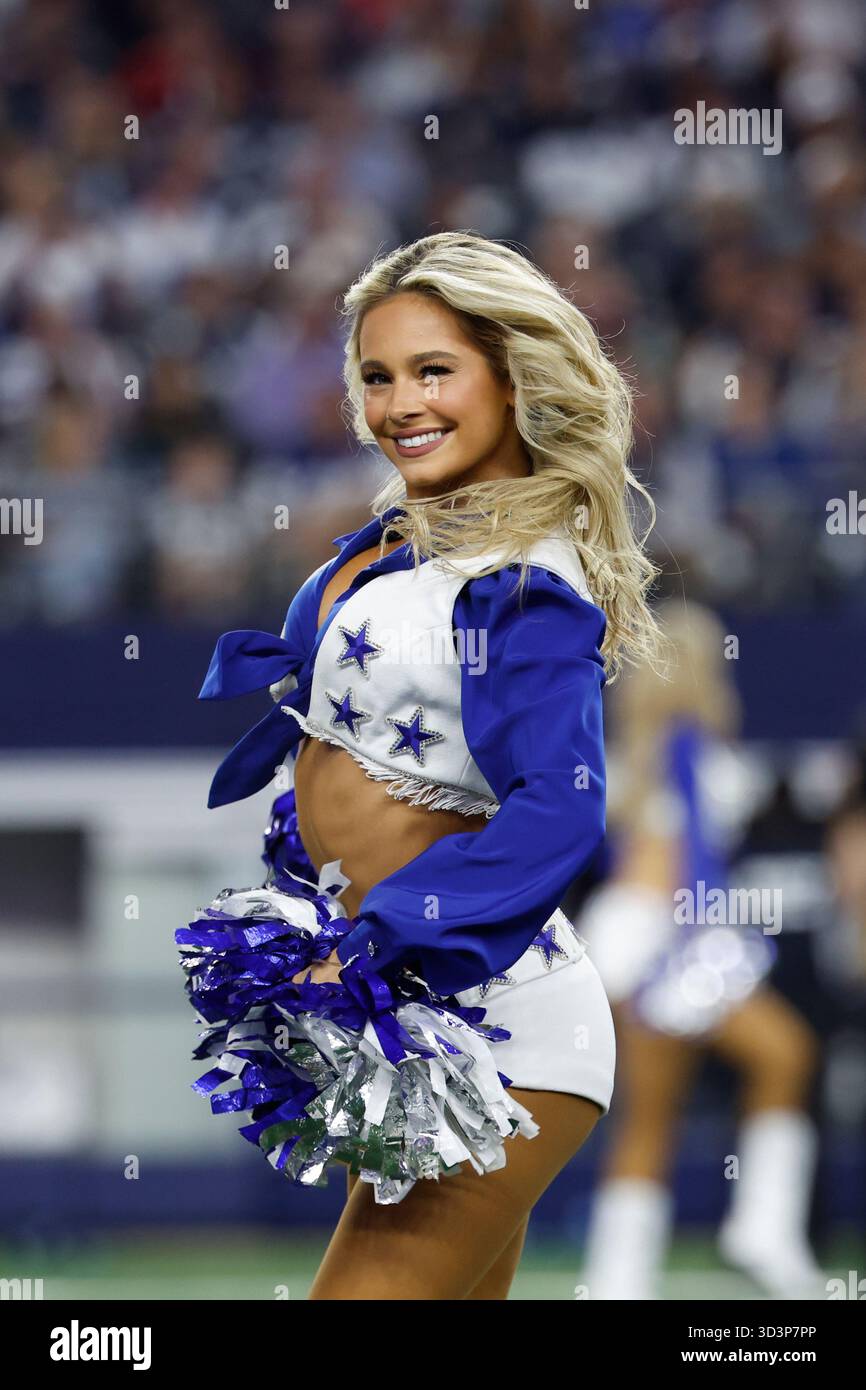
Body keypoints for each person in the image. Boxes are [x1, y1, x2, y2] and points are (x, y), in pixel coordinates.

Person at [176, 230, 660, 1300]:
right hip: (424, 1021)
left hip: (498, 1025)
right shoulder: (398, 545)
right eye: (377, 376)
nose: (401, 403)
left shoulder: (520, 584)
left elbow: (559, 808)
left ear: (509, 378)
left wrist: (374, 950)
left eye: (434, 370)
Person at [579, 601, 825, 1299]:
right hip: (673, 938)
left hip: (640, 935)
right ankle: (764, 1231)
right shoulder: (682, 745)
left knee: (650, 1118)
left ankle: (616, 1282)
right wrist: (698, 942)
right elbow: (678, 861)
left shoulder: (634, 747)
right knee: (788, 1054)